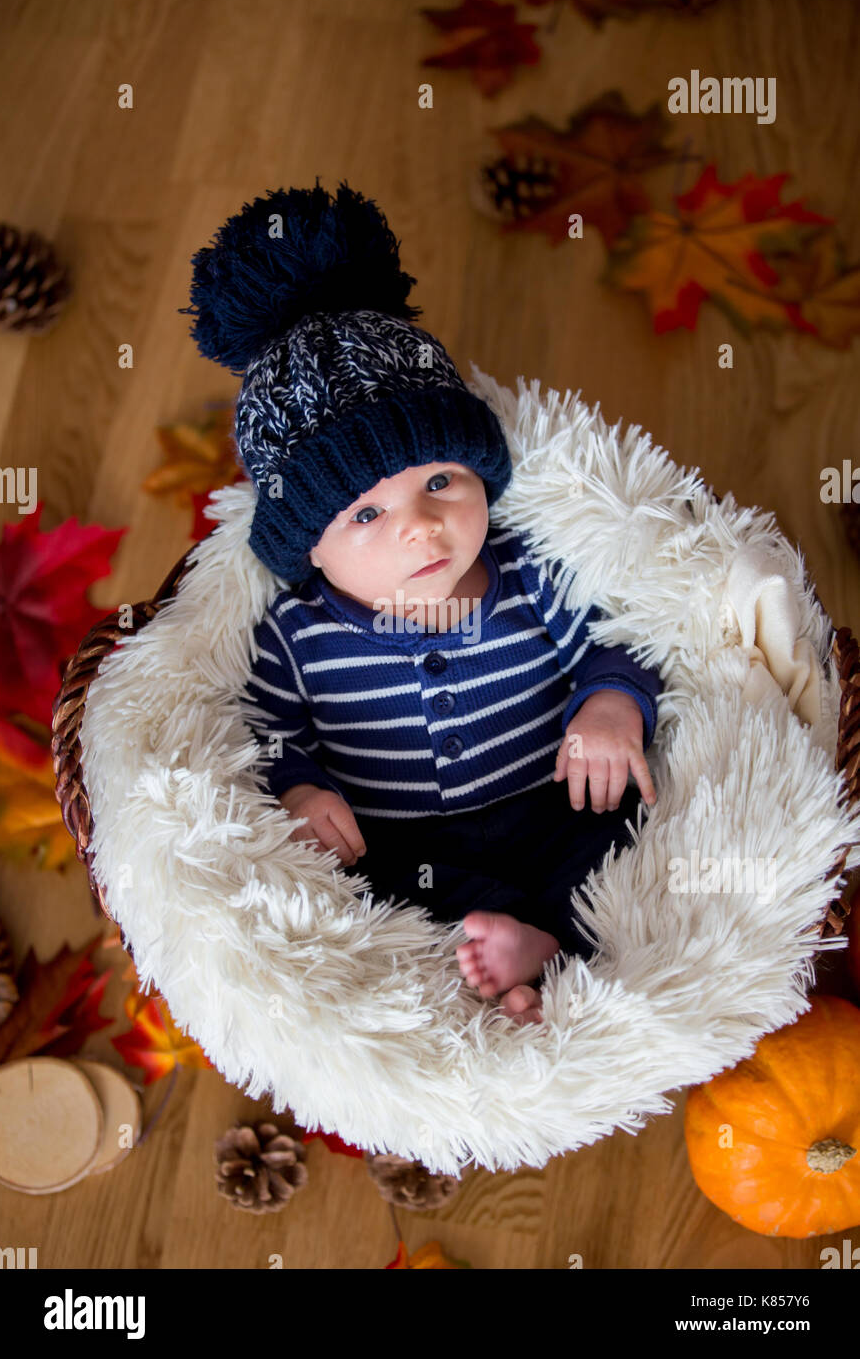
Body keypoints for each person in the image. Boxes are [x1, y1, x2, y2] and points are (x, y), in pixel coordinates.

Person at [180, 179, 663, 1026]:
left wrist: (611, 707)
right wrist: (298, 790)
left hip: (551, 802)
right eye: (366, 514)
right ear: (308, 547)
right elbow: (259, 734)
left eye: (442, 480)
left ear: (484, 473)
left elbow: (617, 635)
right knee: (378, 892)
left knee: (623, 840)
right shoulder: (298, 634)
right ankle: (513, 954)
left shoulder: (530, 575)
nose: (423, 529)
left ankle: (552, 946)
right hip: (408, 843)